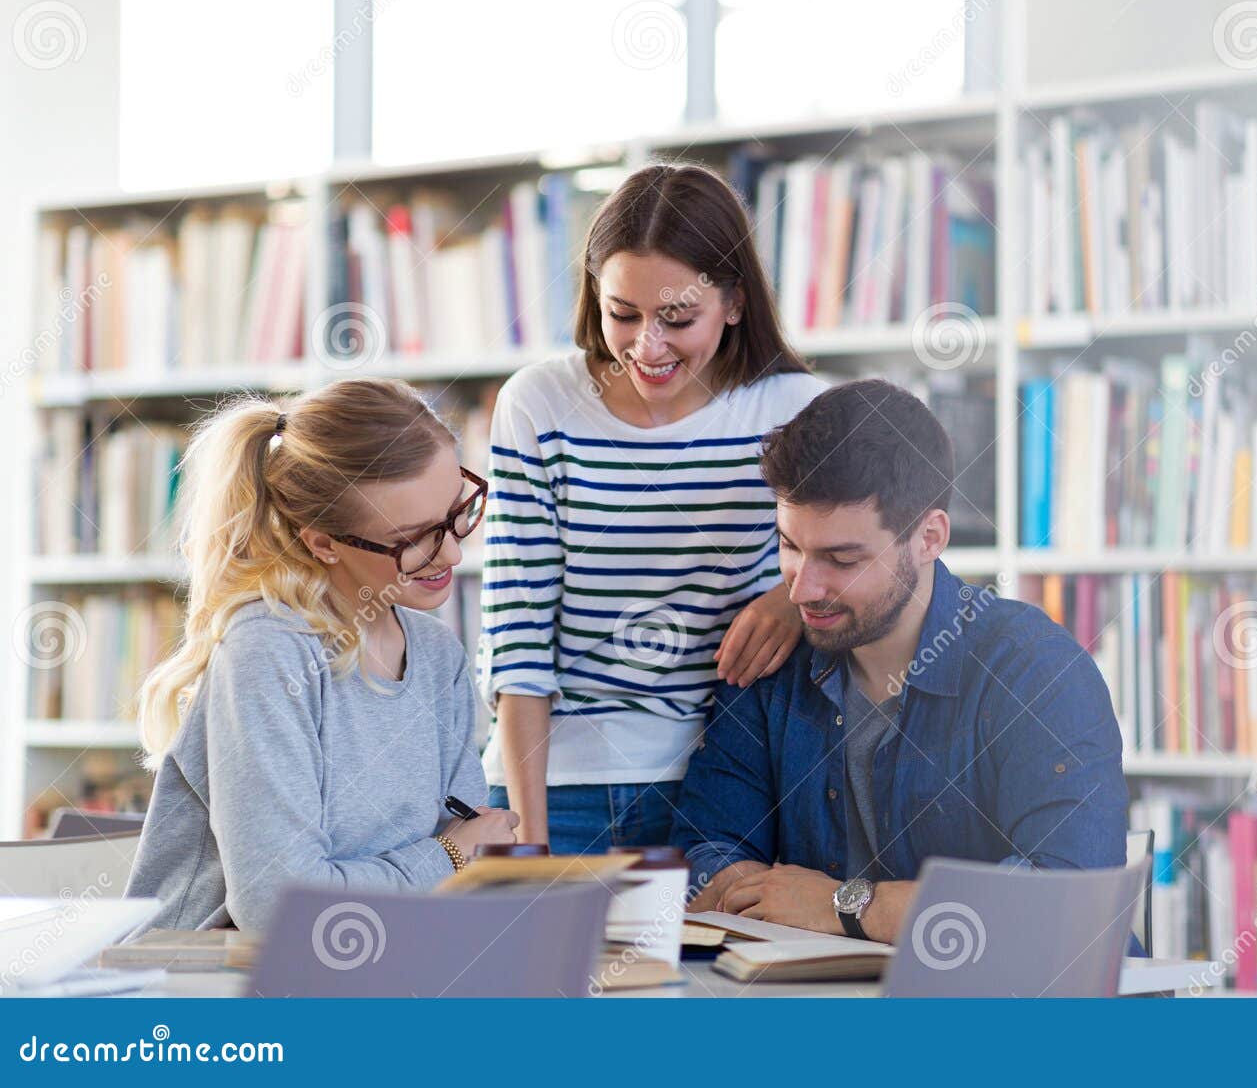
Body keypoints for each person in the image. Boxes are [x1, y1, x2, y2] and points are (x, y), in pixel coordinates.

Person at [672, 379, 1132, 945]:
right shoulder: (773, 662)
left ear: (929, 537)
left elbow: (1069, 898)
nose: (801, 590)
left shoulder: (1035, 671)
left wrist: (846, 906)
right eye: (789, 547)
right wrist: (749, 889)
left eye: (842, 559)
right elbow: (705, 842)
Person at [480, 163, 828, 852]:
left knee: (708, 965)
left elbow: (873, 565)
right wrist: (532, 846)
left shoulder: (794, 411)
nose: (648, 346)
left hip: (727, 782)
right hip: (553, 787)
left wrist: (793, 600)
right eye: (623, 314)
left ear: (733, 302)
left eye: (677, 318)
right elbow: (517, 640)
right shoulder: (540, 405)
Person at [126, 378, 517, 932]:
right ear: (323, 543)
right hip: (215, 983)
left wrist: (467, 857)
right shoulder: (267, 651)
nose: (452, 550)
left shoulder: (436, 654)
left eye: (456, 510)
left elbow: (475, 848)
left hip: (374, 957)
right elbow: (282, 906)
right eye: (413, 538)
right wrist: (447, 856)